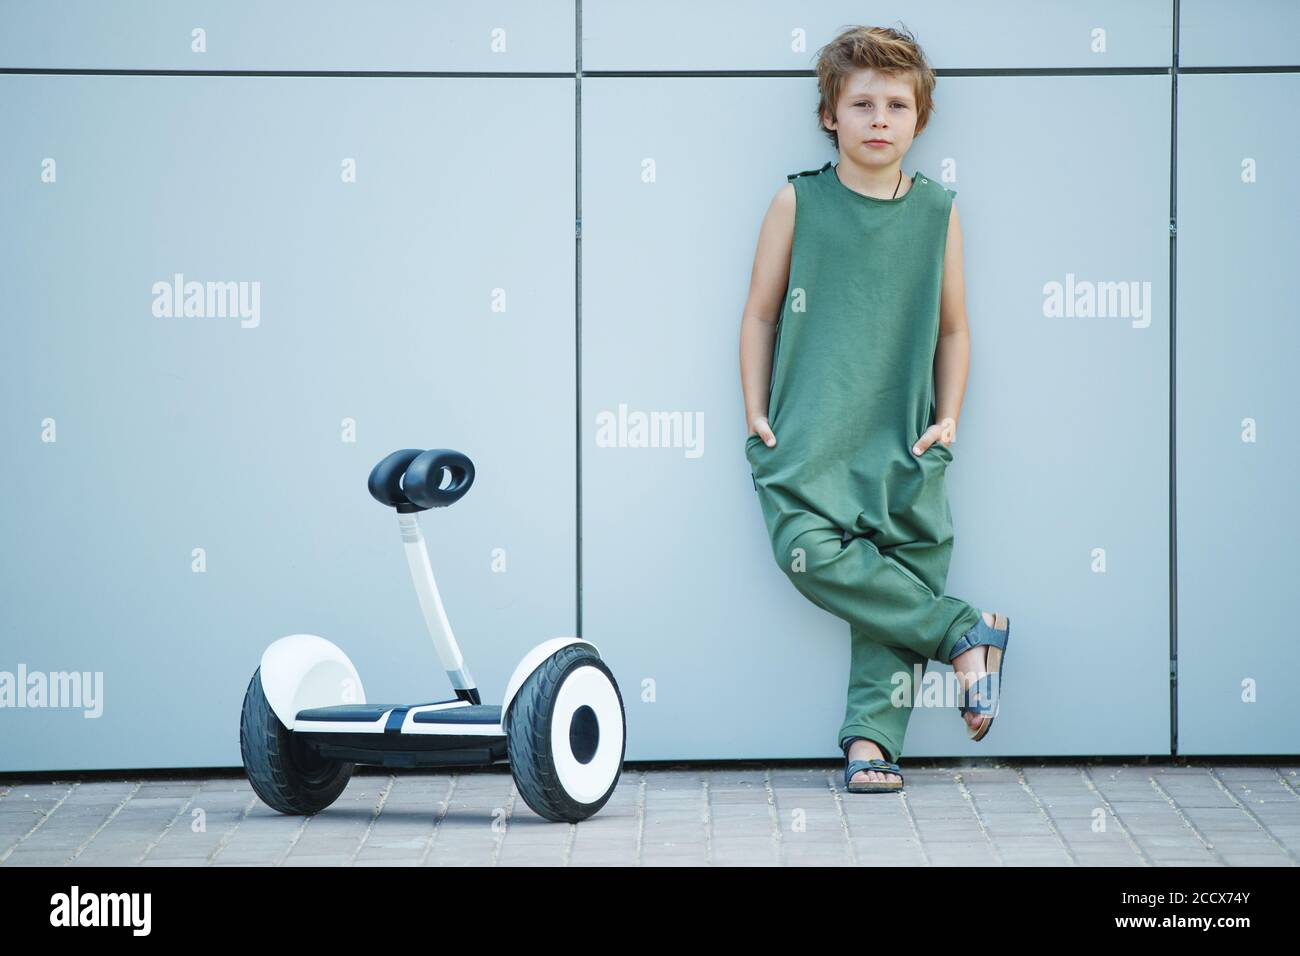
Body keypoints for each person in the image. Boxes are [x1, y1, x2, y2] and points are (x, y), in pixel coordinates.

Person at [738, 24, 1012, 794]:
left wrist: (946, 419)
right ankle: (964, 629)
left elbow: (955, 328)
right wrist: (756, 410)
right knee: (813, 555)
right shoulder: (799, 201)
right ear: (831, 114)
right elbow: (759, 314)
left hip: (906, 441)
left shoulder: (937, 212)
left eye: (897, 104)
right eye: (862, 104)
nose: (880, 119)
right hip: (807, 440)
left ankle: (869, 746)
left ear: (920, 118)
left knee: (896, 584)